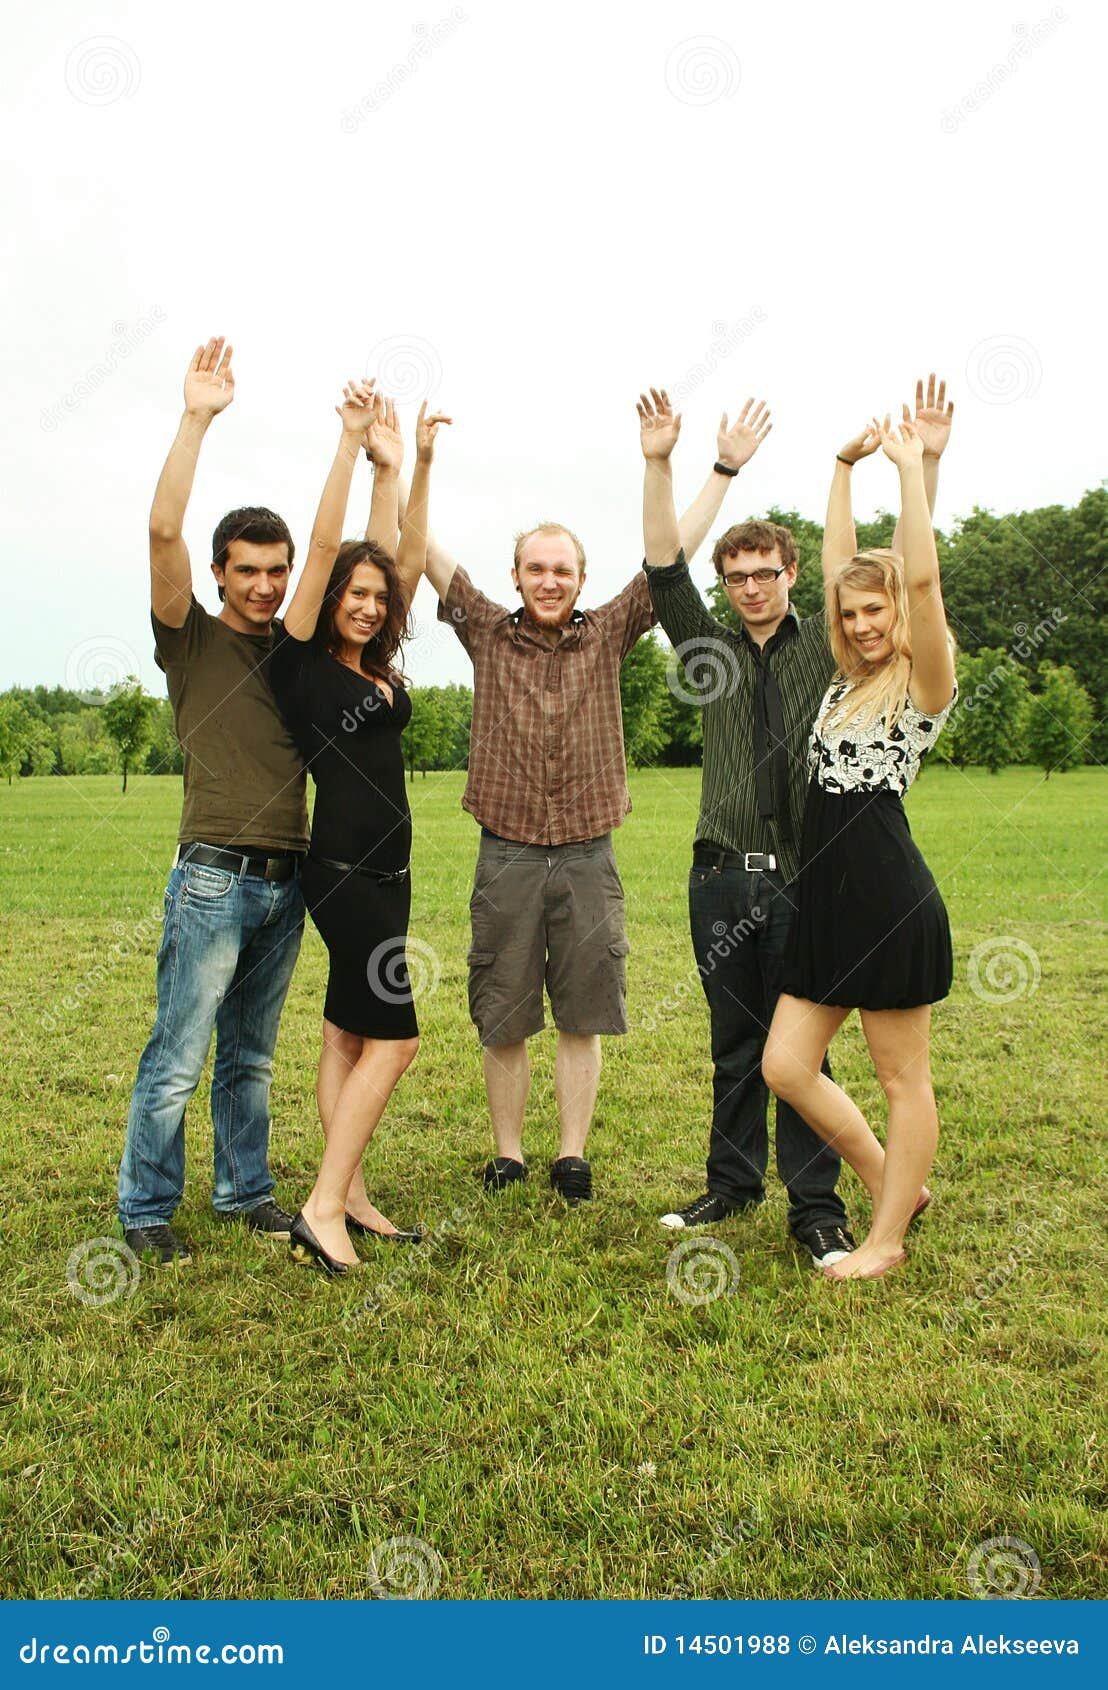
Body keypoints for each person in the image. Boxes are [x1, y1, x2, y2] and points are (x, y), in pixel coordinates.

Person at [374, 411, 753, 1204]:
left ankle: (571, 1156)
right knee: (503, 1013)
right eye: (536, 569)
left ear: (581, 580)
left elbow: (669, 561)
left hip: (588, 853)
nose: (549, 581)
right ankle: (509, 1154)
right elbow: (417, 539)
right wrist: (419, 457)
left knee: (583, 1013)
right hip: (505, 852)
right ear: (515, 577)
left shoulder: (611, 630)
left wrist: (717, 471)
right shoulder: (484, 628)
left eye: (563, 570)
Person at [640, 375, 953, 1269]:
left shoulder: (872, 665)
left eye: (763, 573)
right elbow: (675, 569)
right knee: (760, 1054)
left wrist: (918, 466)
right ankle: (765, 1182)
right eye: (733, 578)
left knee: (867, 1070)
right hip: (750, 880)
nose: (748, 588)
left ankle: (839, 1216)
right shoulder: (745, 656)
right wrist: (685, 465)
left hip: (845, 885)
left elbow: (908, 580)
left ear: (785, 574)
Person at [117, 337, 307, 1264]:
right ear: (221, 574)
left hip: (287, 879)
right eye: (247, 570)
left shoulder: (297, 652)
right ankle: (146, 1208)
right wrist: (196, 416)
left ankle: (245, 1194)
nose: (265, 585)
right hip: (212, 880)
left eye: (278, 570)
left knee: (254, 1058)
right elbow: (161, 534)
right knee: (178, 1056)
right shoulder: (188, 640)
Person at [761, 405, 958, 1281]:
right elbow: (846, 565)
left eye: (875, 610)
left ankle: (885, 1239)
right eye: (851, 614)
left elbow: (920, 586)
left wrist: (914, 471)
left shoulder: (923, 679)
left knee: (899, 1078)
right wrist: (843, 470)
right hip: (825, 898)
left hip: (886, 899)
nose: (864, 623)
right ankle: (890, 1181)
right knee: (785, 1065)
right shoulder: (846, 684)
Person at [266, 387, 450, 1274]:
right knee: (399, 1039)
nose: (372, 604)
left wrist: (408, 464)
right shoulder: (299, 661)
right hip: (340, 872)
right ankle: (323, 1205)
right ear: (330, 594)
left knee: (347, 1034)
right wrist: (347, 451)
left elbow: (400, 552)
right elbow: (329, 554)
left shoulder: (374, 666)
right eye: (357, 593)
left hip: (387, 874)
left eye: (381, 598)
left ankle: (353, 1191)